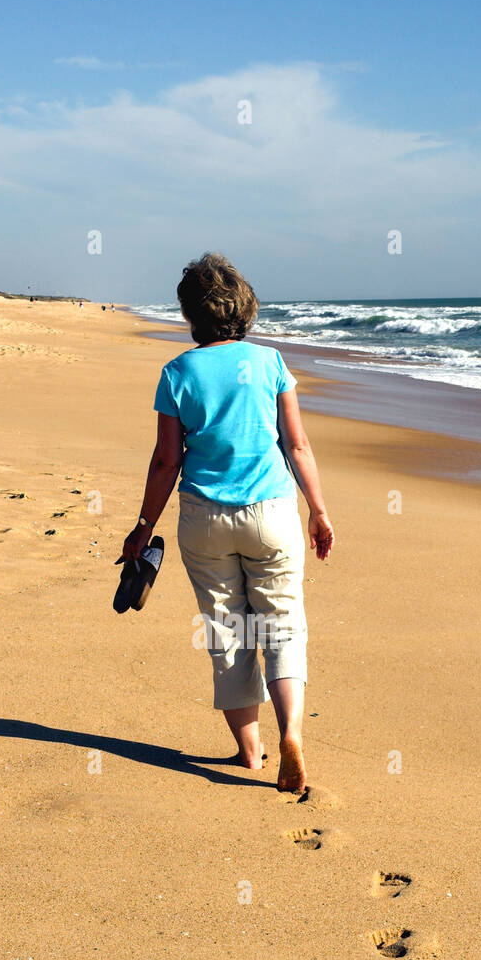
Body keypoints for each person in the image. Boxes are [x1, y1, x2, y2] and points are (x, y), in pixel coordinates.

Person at [120, 252, 334, 792]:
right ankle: (292, 735)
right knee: (281, 625)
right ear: (243, 307)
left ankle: (251, 752)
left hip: (204, 517)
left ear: (191, 313)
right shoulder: (270, 363)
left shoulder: (178, 372)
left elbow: (166, 461)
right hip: (272, 512)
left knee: (228, 631)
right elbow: (298, 445)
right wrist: (318, 510)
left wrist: (143, 527)